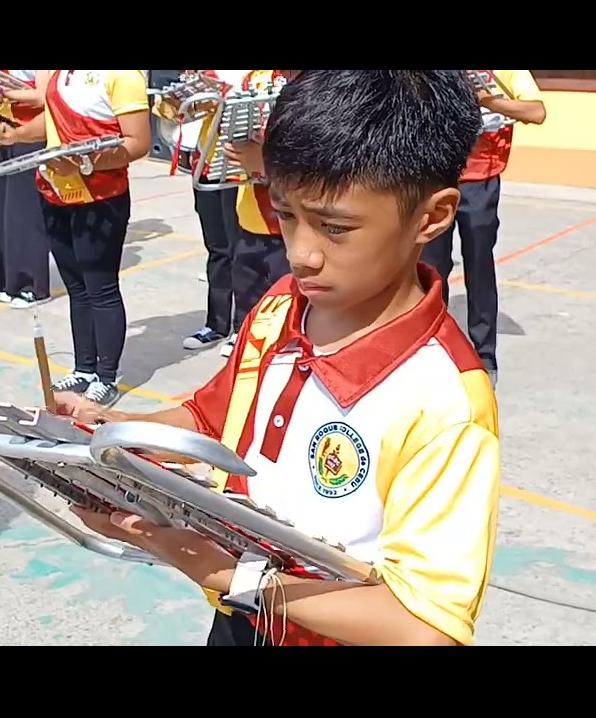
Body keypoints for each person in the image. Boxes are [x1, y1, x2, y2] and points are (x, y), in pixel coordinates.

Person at [54, 70, 500, 646]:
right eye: (286, 214)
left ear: (432, 217)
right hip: (245, 615)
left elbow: (424, 627)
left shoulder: (445, 400)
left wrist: (226, 573)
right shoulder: (282, 306)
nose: (301, 253)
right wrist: (120, 430)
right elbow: (219, 413)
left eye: (336, 228)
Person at [0, 70, 151, 406]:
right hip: (54, 192)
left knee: (101, 288)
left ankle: (106, 377)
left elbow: (138, 142)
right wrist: (16, 136)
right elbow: (53, 121)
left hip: (100, 197)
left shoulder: (123, 77)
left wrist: (85, 164)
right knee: (77, 289)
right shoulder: (58, 74)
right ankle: (84, 368)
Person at [420, 70, 546, 386]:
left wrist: (488, 101)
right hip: (437, 177)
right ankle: (432, 345)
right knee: (433, 269)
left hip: (481, 182)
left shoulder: (503, 73)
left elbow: (537, 112)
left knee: (479, 266)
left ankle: (484, 354)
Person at [220, 69, 302, 359]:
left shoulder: (328, 83)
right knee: (250, 322)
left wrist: (267, 165)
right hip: (252, 224)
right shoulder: (254, 78)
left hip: (299, 230)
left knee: (295, 328)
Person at [173, 70, 248, 352]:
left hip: (236, 168)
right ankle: (216, 324)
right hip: (206, 163)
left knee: (239, 251)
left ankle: (242, 327)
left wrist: (222, 90)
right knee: (217, 250)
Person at [0, 70, 54, 309]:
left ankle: (31, 285)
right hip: (1, 128)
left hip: (29, 131)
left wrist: (7, 92)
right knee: (0, 210)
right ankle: (7, 280)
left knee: (24, 212)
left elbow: (43, 95)